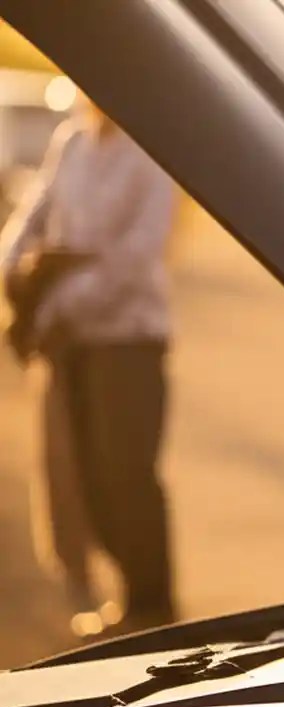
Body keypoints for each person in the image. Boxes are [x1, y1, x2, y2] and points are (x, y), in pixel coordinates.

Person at [1, 92, 178, 636]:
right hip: (69, 342)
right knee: (81, 478)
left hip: (126, 340)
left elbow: (138, 253)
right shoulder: (73, 141)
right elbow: (34, 215)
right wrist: (14, 271)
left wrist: (61, 302)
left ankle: (154, 606)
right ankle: (124, 601)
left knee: (125, 474)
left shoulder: (151, 151)